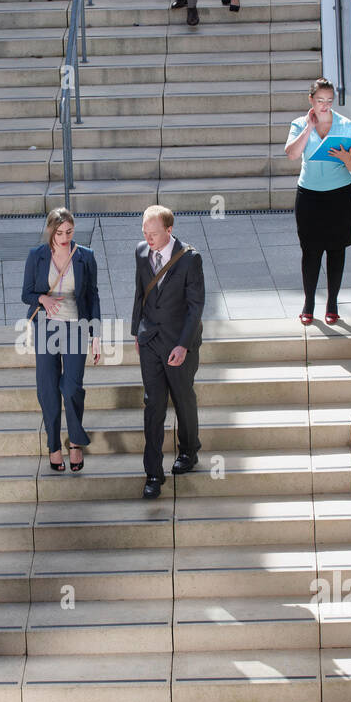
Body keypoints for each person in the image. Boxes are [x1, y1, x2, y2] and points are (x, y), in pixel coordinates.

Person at [131, 205, 205, 498]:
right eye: (145, 233)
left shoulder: (190, 259)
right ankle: (153, 474)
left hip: (179, 343)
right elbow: (140, 293)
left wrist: (183, 345)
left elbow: (196, 306)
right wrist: (136, 331)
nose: (148, 238)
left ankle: (188, 450)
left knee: (183, 398)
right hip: (150, 341)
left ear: (169, 230)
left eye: (154, 233)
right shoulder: (140, 252)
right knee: (153, 405)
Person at [22, 208, 102, 473]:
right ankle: (54, 446)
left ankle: (76, 443)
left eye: (69, 232)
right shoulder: (37, 256)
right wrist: (43, 299)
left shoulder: (85, 257)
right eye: (59, 233)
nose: (65, 237)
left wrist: (96, 336)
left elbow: (93, 297)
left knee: (71, 388)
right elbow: (27, 293)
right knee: (47, 390)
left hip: (76, 328)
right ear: (50, 231)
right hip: (46, 328)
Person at [285, 77, 351, 326]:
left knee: (336, 250)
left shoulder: (345, 125)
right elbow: (293, 154)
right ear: (311, 101)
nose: (325, 106)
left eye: (329, 101)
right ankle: (308, 304)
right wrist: (308, 127)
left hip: (339, 196)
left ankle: (333, 304)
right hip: (310, 196)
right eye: (320, 101)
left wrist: (344, 156)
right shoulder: (298, 124)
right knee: (311, 251)